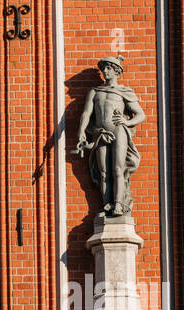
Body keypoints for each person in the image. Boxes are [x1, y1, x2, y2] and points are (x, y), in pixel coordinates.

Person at [74, 55, 145, 217]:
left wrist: (126, 123)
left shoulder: (123, 92)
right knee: (103, 172)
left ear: (116, 71)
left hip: (119, 131)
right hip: (101, 133)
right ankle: (107, 203)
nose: (105, 71)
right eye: (103, 69)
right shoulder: (95, 92)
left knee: (118, 168)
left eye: (108, 69)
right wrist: (81, 133)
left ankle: (119, 204)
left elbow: (141, 115)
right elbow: (86, 114)